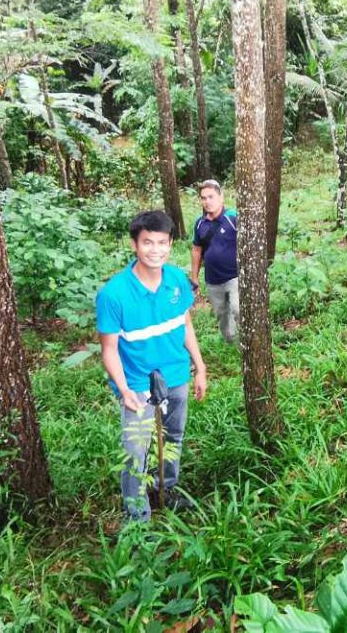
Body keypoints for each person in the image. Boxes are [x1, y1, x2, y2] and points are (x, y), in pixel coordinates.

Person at [96, 210, 208, 522]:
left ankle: (166, 489)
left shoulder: (176, 280)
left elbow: (184, 323)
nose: (155, 250)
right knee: (136, 450)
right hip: (136, 384)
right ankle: (137, 516)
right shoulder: (114, 294)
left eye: (162, 242)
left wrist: (199, 366)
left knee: (173, 436)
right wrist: (124, 390)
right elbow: (109, 350)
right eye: (147, 243)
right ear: (135, 244)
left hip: (175, 374)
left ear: (170, 244)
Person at [190, 180, 240, 343]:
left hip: (235, 277)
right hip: (212, 280)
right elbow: (197, 250)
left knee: (238, 308)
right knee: (222, 316)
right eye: (203, 198)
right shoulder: (200, 224)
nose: (207, 201)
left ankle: (248, 343)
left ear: (221, 197)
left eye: (211, 197)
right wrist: (195, 277)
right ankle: (232, 346)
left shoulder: (233, 218)